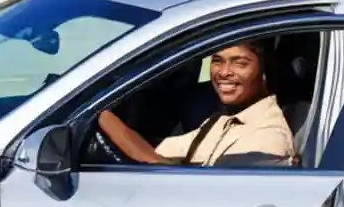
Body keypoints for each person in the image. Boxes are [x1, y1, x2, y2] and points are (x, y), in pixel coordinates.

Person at [97, 38, 298, 167]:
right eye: (217, 60)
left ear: (264, 75)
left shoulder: (266, 136)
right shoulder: (224, 118)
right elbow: (161, 154)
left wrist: (98, 113)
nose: (224, 72)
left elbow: (209, 194)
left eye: (240, 63)